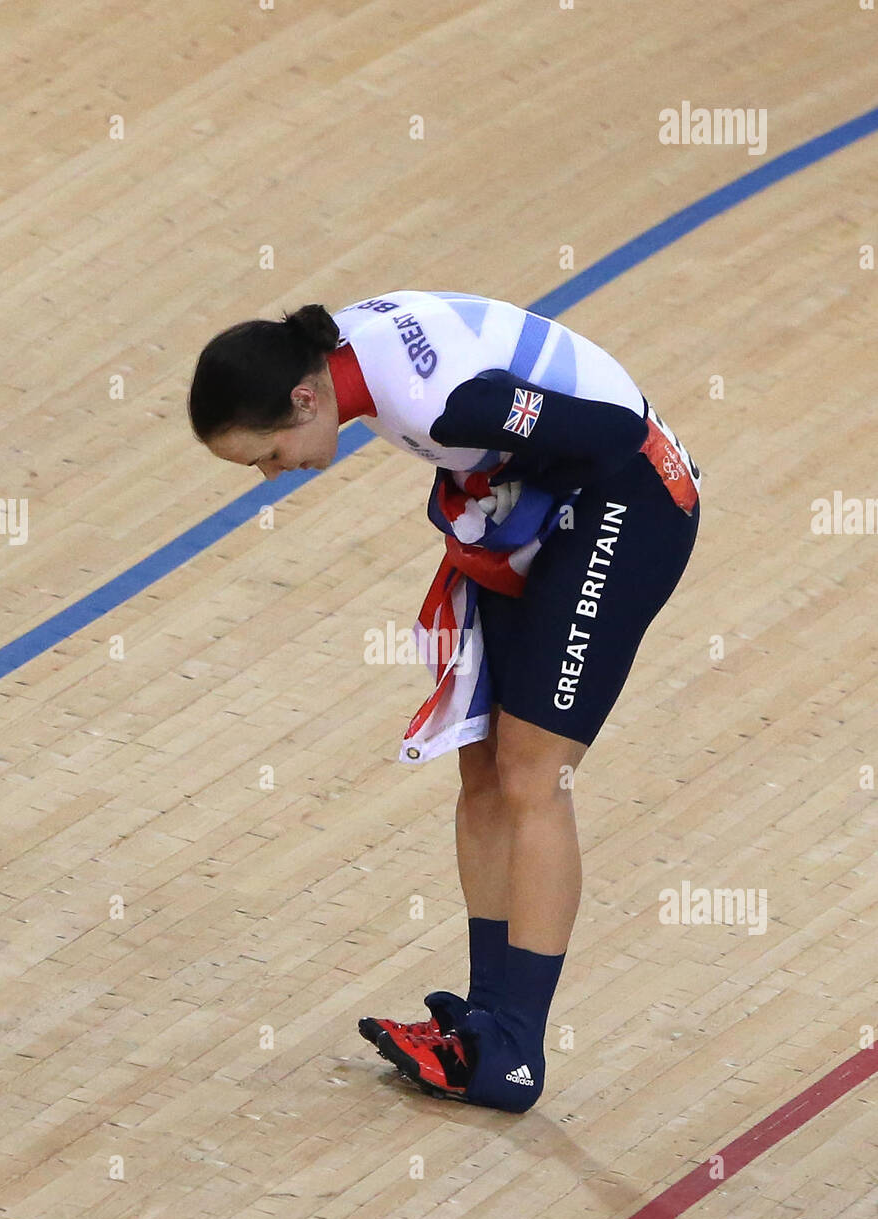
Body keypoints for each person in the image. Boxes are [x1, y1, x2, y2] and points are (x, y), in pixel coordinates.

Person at [188, 290, 701, 1114]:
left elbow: (611, 435)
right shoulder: (340, 351)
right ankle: (488, 1017)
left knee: (533, 778)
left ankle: (515, 1054)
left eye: (268, 453)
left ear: (304, 398)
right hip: (533, 504)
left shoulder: (441, 402)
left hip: (623, 504)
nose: (271, 473)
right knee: (483, 768)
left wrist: (499, 486)